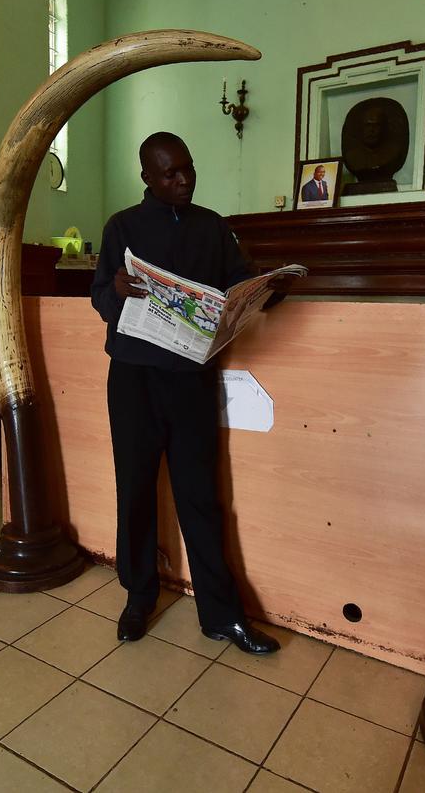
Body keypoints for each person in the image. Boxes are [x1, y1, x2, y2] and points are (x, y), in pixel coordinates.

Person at [90, 131, 283, 655]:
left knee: (201, 498)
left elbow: (238, 284)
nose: (183, 180)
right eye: (171, 173)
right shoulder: (122, 227)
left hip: (192, 379)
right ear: (148, 177)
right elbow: (98, 295)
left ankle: (221, 616)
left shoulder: (214, 228)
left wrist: (264, 289)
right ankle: (137, 596)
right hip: (133, 379)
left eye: (188, 169)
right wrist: (117, 291)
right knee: (134, 490)